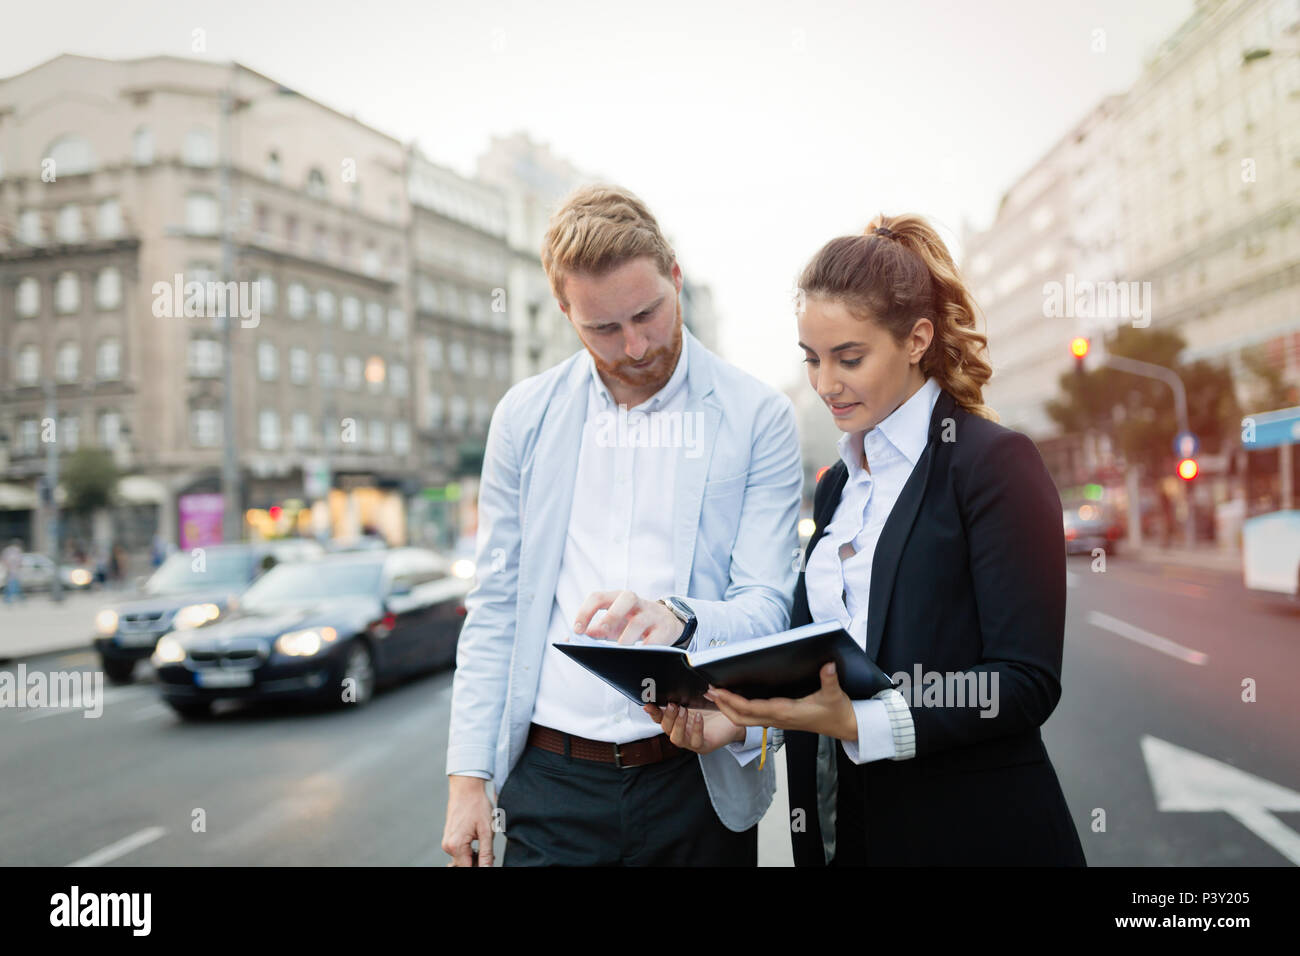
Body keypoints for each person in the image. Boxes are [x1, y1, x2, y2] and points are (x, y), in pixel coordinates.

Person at [650, 214, 1086, 866]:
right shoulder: (837, 487)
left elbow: (1023, 683)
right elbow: (817, 668)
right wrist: (737, 719)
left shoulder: (993, 463)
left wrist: (860, 722)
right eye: (812, 359)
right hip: (839, 831)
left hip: (973, 835)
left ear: (916, 340)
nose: (825, 383)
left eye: (849, 358)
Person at [441, 184, 802, 866]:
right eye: (603, 329)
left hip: (694, 783)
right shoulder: (524, 418)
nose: (635, 346)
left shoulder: (759, 417)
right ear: (564, 311)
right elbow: (495, 607)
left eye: (648, 314)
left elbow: (770, 608)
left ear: (675, 275)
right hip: (550, 785)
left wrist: (679, 617)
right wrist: (468, 780)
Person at [2, 539, 24, 604]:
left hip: (10, 570)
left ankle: (9, 599)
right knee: (13, 585)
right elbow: (19, 561)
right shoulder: (16, 551)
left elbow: (5, 560)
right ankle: (10, 599)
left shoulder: (8, 551)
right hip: (13, 571)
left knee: (12, 585)